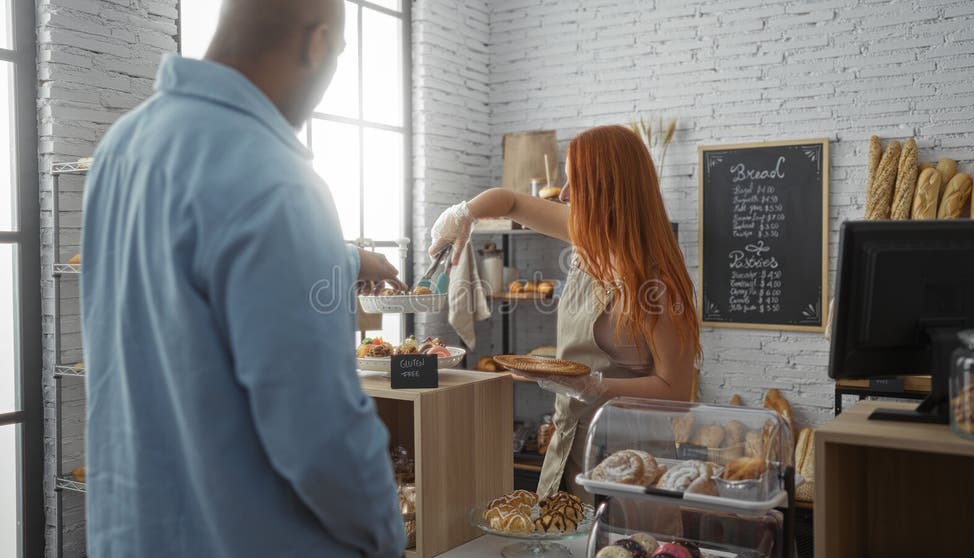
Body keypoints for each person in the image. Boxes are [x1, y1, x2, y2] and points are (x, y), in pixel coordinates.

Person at [81, 1, 406, 556]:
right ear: (318, 44)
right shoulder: (281, 182)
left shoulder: (123, 147)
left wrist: (347, 260)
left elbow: (188, 274)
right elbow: (320, 434)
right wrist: (387, 531)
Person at [431, 125, 701, 500]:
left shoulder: (657, 280)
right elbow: (509, 202)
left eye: (577, 183)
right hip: (571, 443)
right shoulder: (588, 236)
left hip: (633, 462)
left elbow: (675, 392)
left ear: (610, 194)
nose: (565, 194)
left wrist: (596, 386)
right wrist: (463, 215)